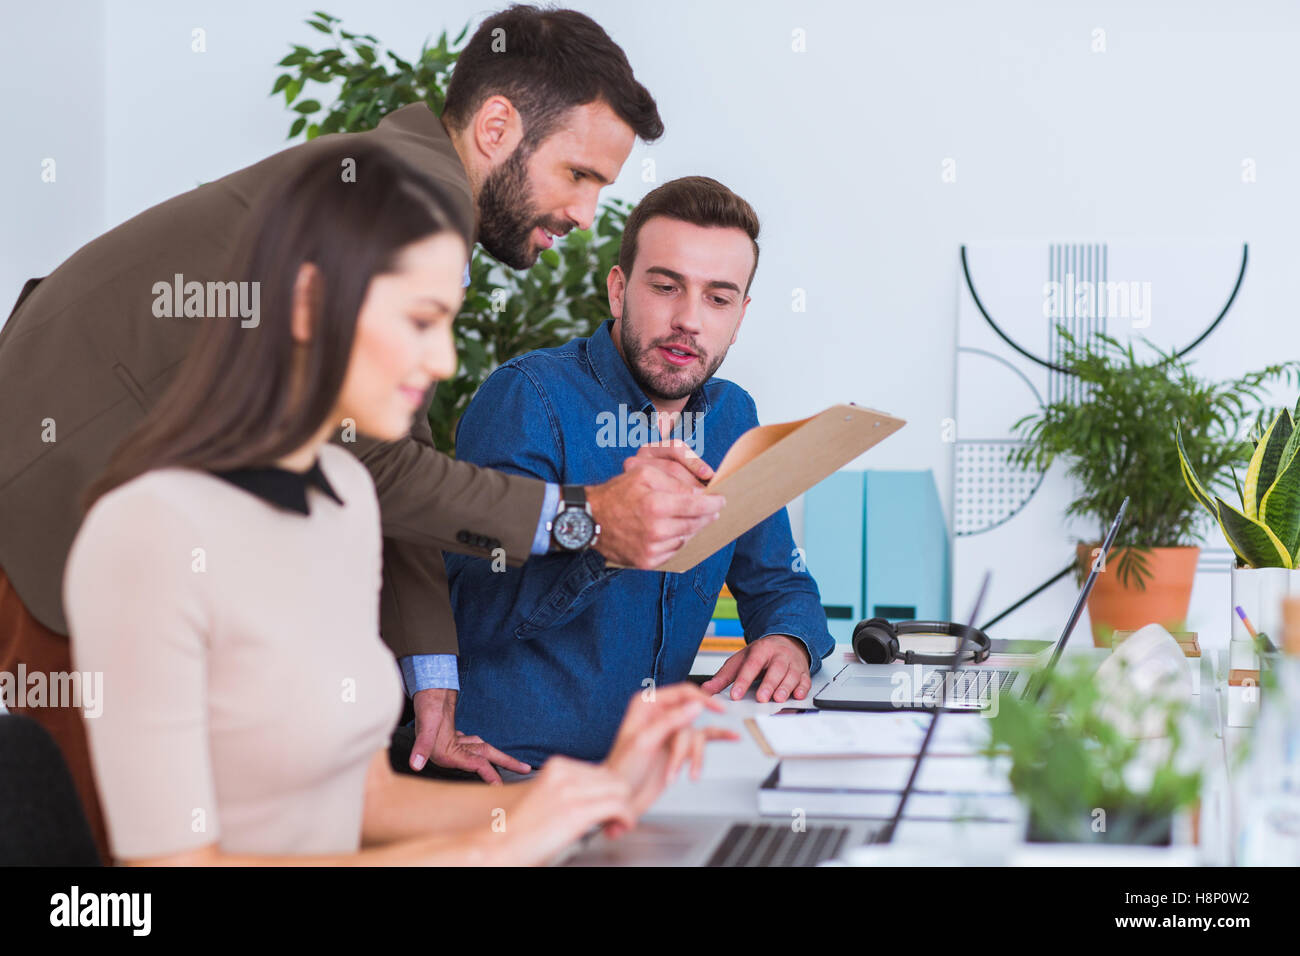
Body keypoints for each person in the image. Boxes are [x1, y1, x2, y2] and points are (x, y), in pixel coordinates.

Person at [0, 5, 721, 858]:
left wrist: (434, 682)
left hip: (100, 482)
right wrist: (589, 515)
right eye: (578, 173)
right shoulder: (411, 205)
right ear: (498, 127)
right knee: (100, 857)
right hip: (58, 494)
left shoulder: (391, 186)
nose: (585, 211)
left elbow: (380, 468)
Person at [443, 177, 835, 767]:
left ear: (740, 315)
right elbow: (471, 612)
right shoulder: (528, 398)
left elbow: (780, 581)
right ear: (620, 290)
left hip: (653, 774)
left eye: (718, 298)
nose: (689, 320)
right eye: (666, 287)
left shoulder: (732, 417)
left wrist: (788, 640)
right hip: (515, 774)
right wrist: (606, 535)